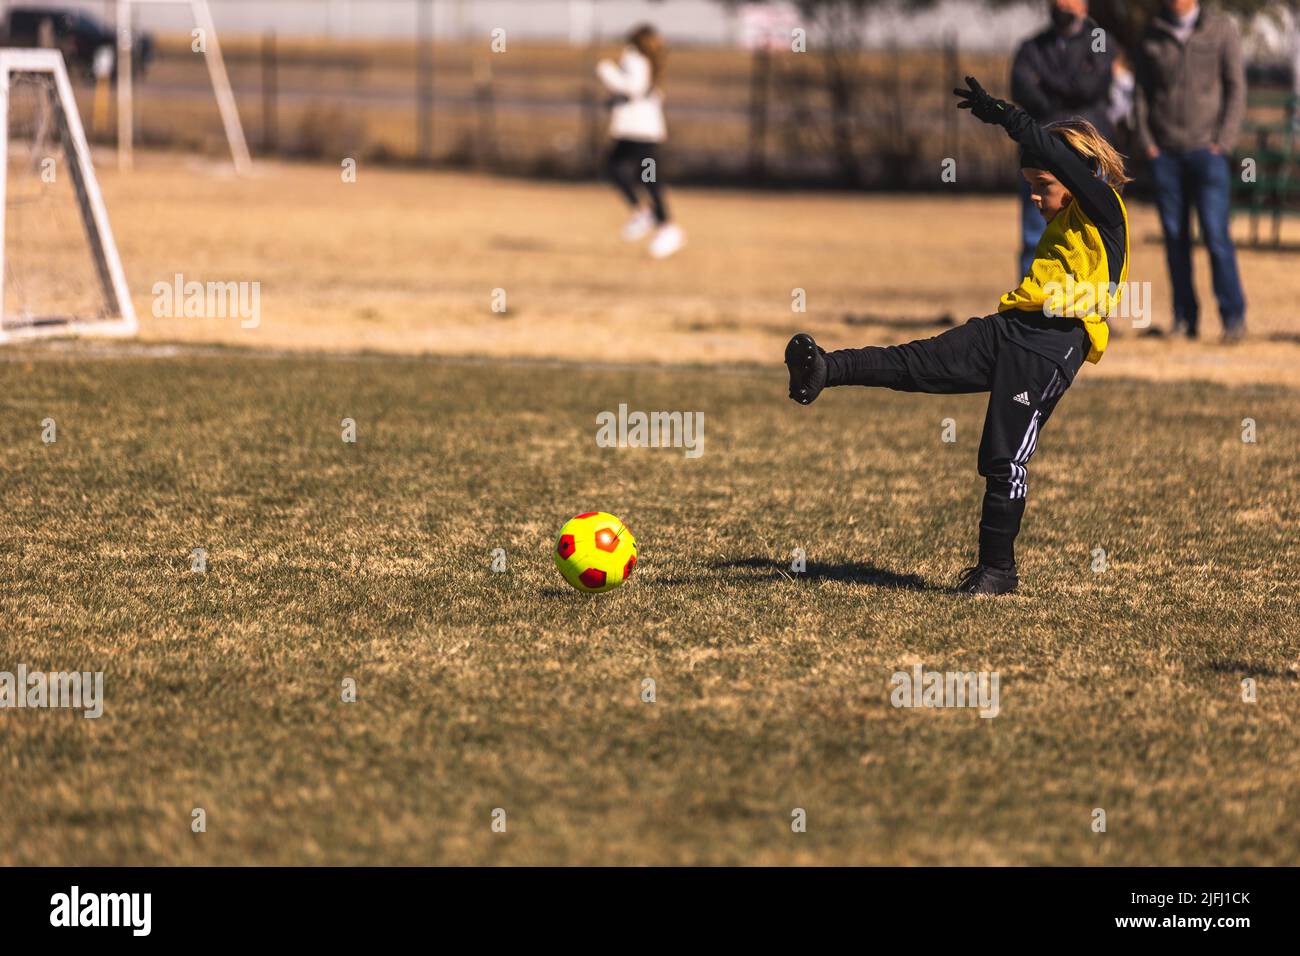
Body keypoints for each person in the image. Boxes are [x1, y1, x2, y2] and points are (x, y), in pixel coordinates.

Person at [784, 77, 1130, 595]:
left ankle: (997, 573)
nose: (1036, 197)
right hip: (1010, 327)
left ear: (1074, 176)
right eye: (1031, 185)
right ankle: (825, 369)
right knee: (914, 362)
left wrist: (1007, 117)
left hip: (1052, 346)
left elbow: (1056, 158)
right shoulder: (1062, 220)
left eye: (1044, 184)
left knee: (1004, 457)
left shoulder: (1101, 212)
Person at [1135, 0, 1247, 341]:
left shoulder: (1221, 30)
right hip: (1165, 154)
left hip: (1208, 153)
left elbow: (1236, 88)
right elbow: (1141, 94)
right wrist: (1148, 144)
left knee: (1216, 236)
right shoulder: (1152, 35)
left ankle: (1232, 319)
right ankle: (1184, 319)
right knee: (1175, 240)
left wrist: (1223, 142)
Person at [1010, 0, 1115, 280]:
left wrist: (1045, 81)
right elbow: (1022, 89)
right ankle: (1029, 311)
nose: (1061, 4)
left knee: (1090, 235)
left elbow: (1091, 86)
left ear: (1085, 5)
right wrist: (1072, 85)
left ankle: (1089, 311)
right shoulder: (1030, 47)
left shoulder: (1101, 43)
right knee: (1035, 236)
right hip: (1041, 154)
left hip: (1088, 155)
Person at [596, 24, 685, 259]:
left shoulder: (636, 59)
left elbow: (633, 89)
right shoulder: (650, 61)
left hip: (641, 132)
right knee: (620, 169)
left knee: (647, 178)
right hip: (636, 130)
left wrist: (607, 71)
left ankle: (665, 226)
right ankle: (646, 215)